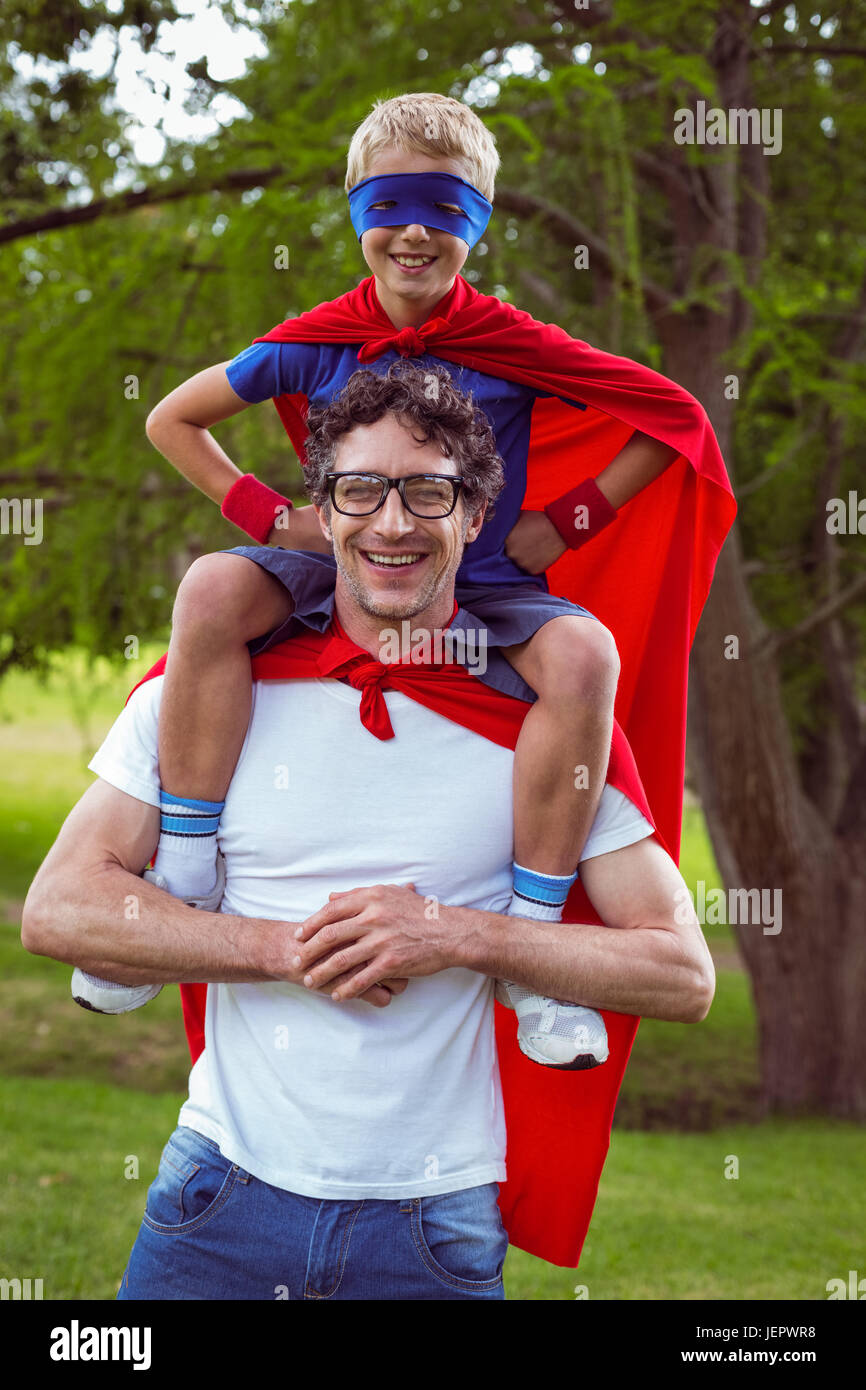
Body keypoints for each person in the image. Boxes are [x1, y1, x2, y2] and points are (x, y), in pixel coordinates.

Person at [22, 364, 715, 1301]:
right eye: (361, 490)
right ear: (324, 507)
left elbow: (681, 973)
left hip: (433, 1230)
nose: (393, 524)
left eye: (429, 493)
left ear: (474, 516)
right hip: (214, 1200)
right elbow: (59, 911)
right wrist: (282, 946)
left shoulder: (538, 729)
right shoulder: (207, 697)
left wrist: (462, 935)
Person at [69, 90, 703, 1070]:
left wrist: (560, 524)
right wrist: (273, 519)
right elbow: (170, 419)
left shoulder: (514, 341)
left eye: (443, 210)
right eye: (390, 205)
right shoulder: (312, 337)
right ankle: (187, 874)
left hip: (481, 585)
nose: (413, 232)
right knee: (208, 592)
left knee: (583, 650)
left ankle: (531, 961)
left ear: (477, 225)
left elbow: (675, 421)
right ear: (356, 210)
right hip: (338, 571)